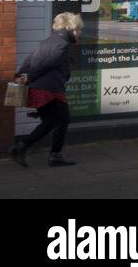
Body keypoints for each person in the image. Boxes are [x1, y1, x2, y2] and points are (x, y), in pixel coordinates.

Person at [8, 11, 83, 168]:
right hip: (49, 90)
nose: (80, 33)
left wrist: (21, 75)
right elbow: (42, 65)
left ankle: (24, 148)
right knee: (62, 119)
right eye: (78, 29)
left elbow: (30, 60)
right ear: (70, 28)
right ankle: (46, 153)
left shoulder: (48, 41)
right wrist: (27, 77)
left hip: (41, 88)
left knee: (51, 121)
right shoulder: (61, 45)